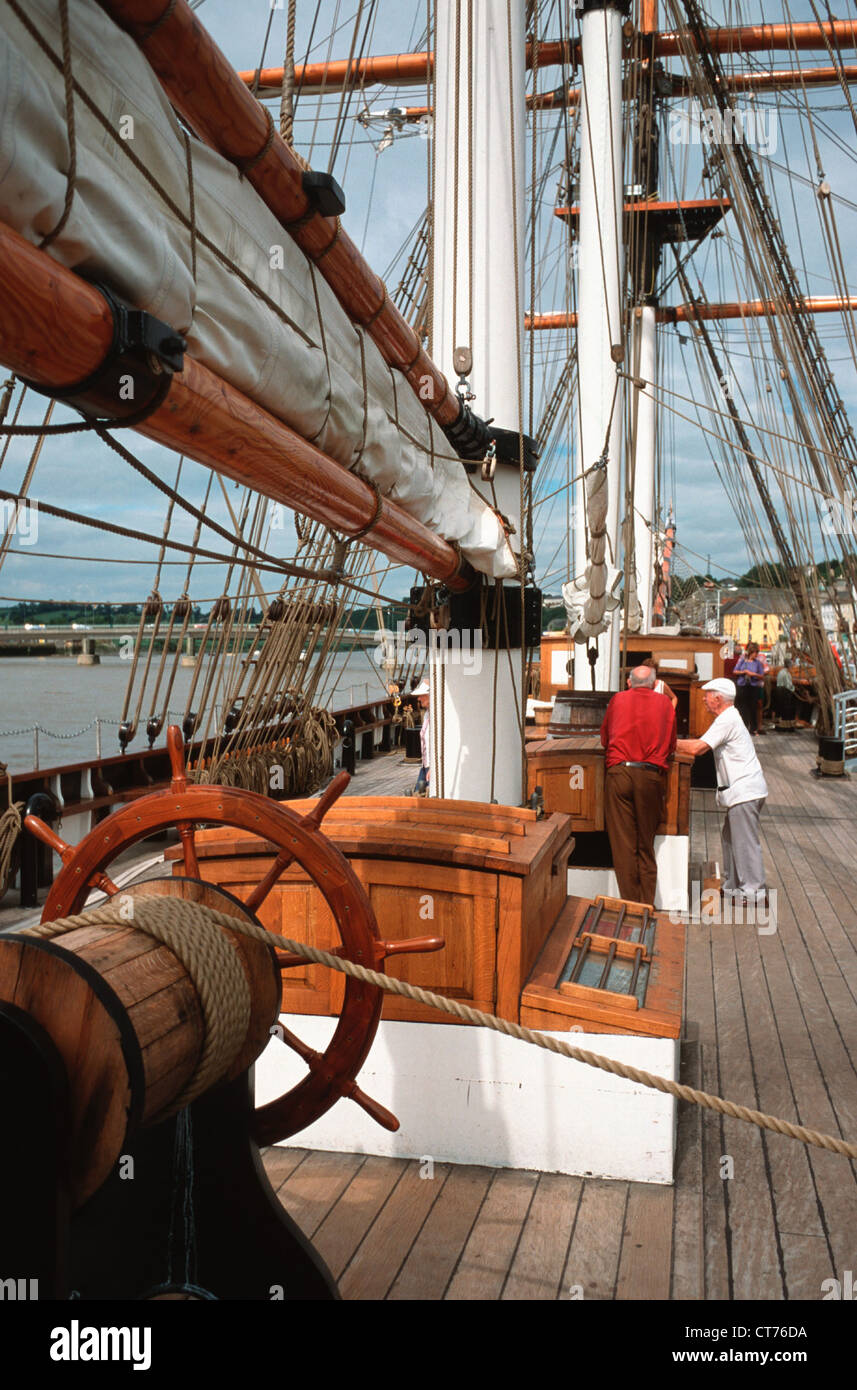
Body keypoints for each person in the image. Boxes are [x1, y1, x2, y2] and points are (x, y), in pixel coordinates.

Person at [677, 678, 768, 905]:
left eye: (707, 695)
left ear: (718, 698)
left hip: (745, 791)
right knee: (730, 838)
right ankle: (732, 887)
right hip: (745, 790)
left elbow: (699, 748)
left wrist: (667, 742)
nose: (704, 699)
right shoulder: (728, 718)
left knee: (744, 842)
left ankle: (753, 892)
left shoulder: (727, 719)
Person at [600, 666, 677, 906]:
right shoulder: (665, 704)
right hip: (650, 777)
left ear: (629, 683)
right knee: (646, 843)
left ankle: (631, 906)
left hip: (619, 773)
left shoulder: (617, 700)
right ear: (654, 684)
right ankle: (646, 906)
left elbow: (604, 739)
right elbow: (672, 745)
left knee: (623, 846)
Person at [733, 641, 767, 735]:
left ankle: (753, 728)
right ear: (751, 652)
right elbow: (735, 671)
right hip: (743, 686)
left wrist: (753, 674)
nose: (756, 655)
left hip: (753, 687)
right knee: (742, 708)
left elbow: (762, 676)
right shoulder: (742, 661)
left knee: (752, 707)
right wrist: (744, 672)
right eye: (755, 653)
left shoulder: (758, 663)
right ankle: (743, 727)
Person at [412, 678, 430, 794]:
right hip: (425, 767)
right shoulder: (427, 714)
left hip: (431, 768)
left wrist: (433, 768)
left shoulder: (438, 715)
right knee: (416, 797)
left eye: (422, 695)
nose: (418, 698)